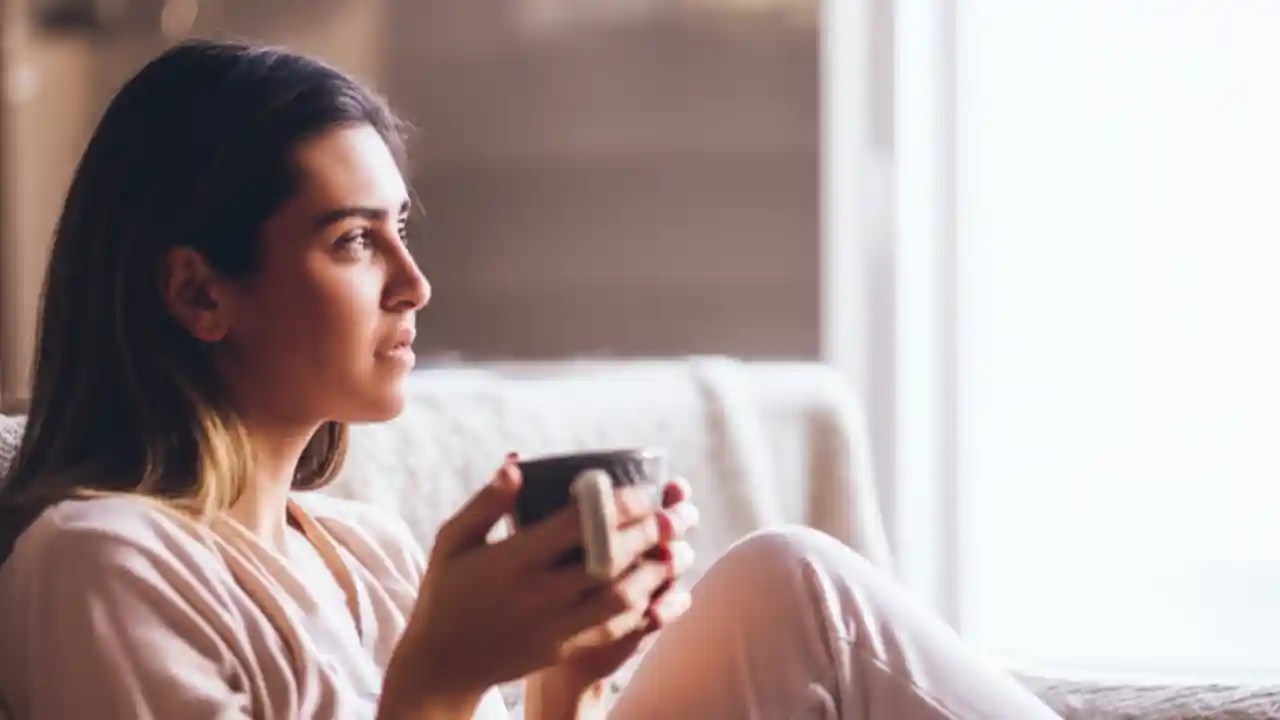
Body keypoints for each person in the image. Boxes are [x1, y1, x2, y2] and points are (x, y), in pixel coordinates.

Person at [0, 40, 1060, 719]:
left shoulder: (364, 550)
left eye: (400, 230)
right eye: (353, 241)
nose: (414, 283)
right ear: (197, 293)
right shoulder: (104, 565)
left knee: (789, 582)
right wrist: (441, 682)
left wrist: (565, 683)